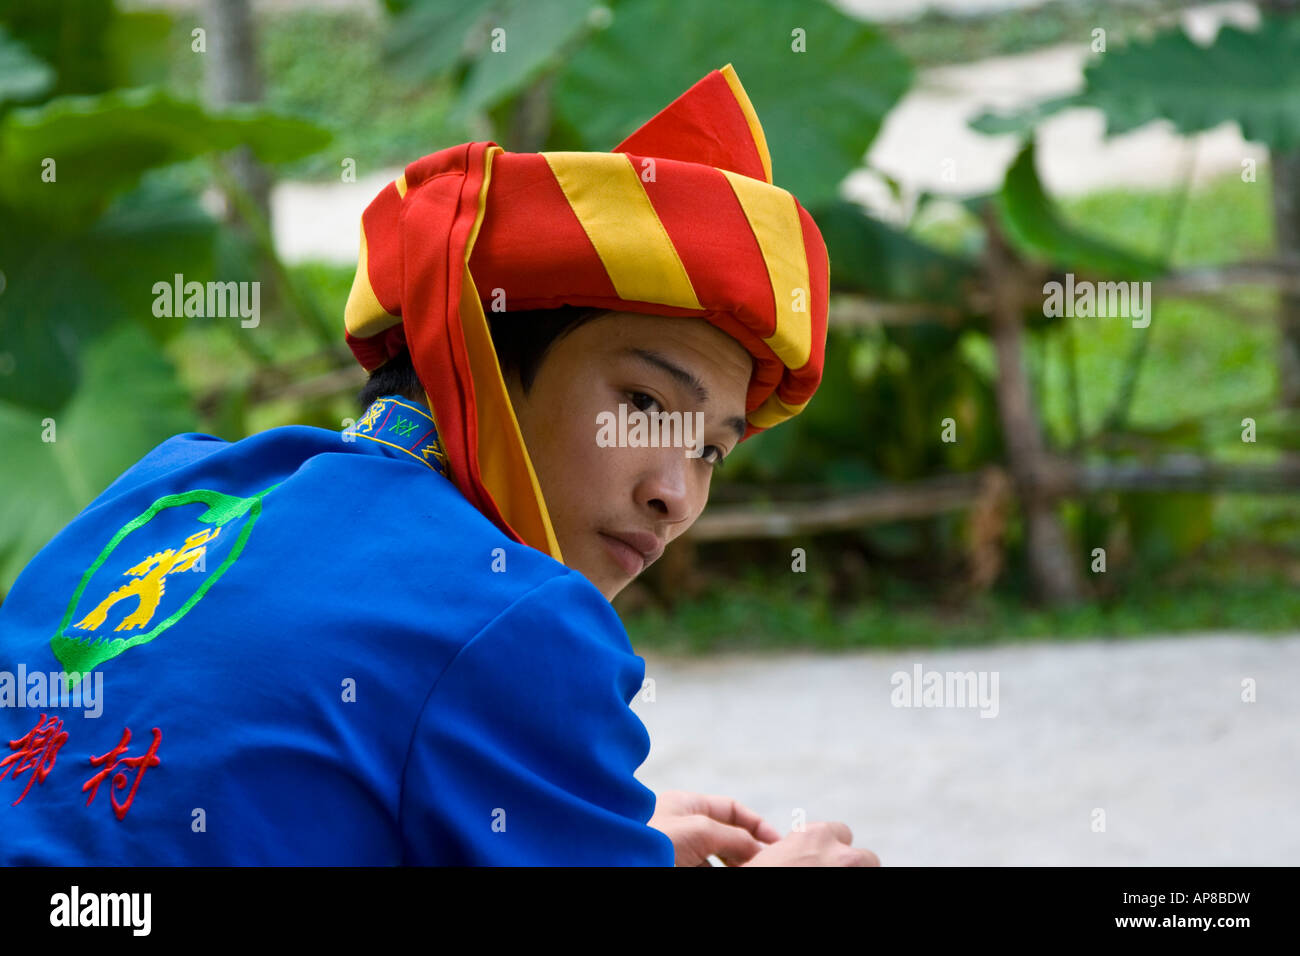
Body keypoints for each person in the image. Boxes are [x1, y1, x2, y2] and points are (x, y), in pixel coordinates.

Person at [0, 64, 878, 866]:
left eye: (713, 450)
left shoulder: (165, 487)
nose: (673, 493)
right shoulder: (517, 617)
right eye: (644, 406)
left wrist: (591, 834)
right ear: (479, 361)